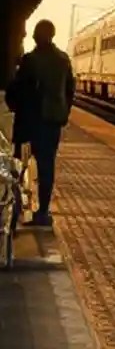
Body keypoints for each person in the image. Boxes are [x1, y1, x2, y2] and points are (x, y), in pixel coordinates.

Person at [5, 19, 75, 227]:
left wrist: (13, 106)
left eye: (35, 33)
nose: (33, 37)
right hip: (52, 122)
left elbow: (16, 89)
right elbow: (70, 90)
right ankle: (43, 211)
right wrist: (63, 113)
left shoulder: (30, 60)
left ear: (40, 35)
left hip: (29, 122)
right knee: (46, 167)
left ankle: (15, 208)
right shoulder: (63, 60)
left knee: (18, 165)